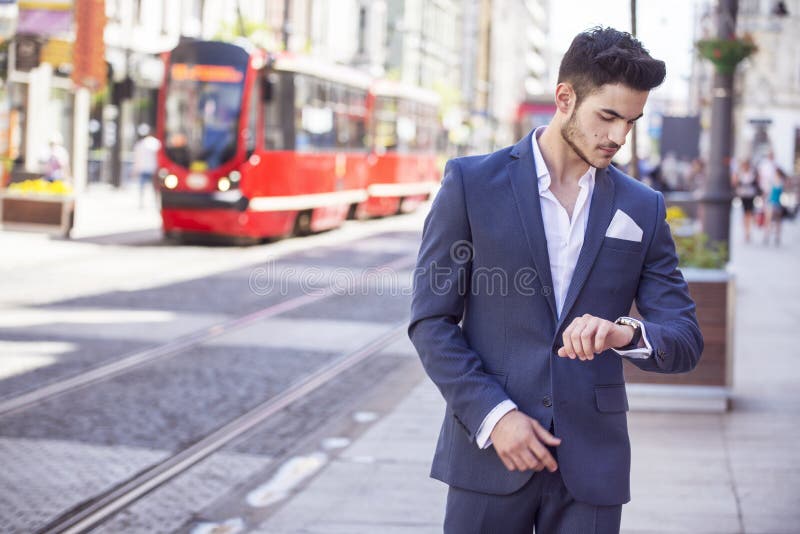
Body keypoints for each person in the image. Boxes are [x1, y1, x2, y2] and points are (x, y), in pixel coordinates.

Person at [409, 27, 703, 534]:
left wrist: (625, 333)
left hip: (592, 467)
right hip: (489, 457)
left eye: (631, 121)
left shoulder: (643, 207)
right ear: (564, 98)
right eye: (607, 116)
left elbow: (685, 339)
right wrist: (494, 415)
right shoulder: (470, 184)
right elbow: (430, 320)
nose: (618, 137)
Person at [132, 124, 161, 208]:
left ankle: (142, 203)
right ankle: (156, 203)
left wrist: (135, 170)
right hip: (153, 168)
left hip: (144, 168)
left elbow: (137, 159)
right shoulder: (156, 143)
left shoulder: (140, 145)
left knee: (142, 188)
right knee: (155, 188)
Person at [731, 158, 760, 242]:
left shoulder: (753, 173)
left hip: (751, 195)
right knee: (745, 213)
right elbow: (735, 182)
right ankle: (746, 231)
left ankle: (748, 230)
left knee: (750, 213)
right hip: (743, 195)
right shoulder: (740, 173)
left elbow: (757, 182)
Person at [763, 167, 786, 246]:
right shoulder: (773, 182)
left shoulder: (780, 183)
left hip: (777, 203)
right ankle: (768, 235)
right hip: (771, 203)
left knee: (777, 221)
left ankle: (776, 236)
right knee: (770, 220)